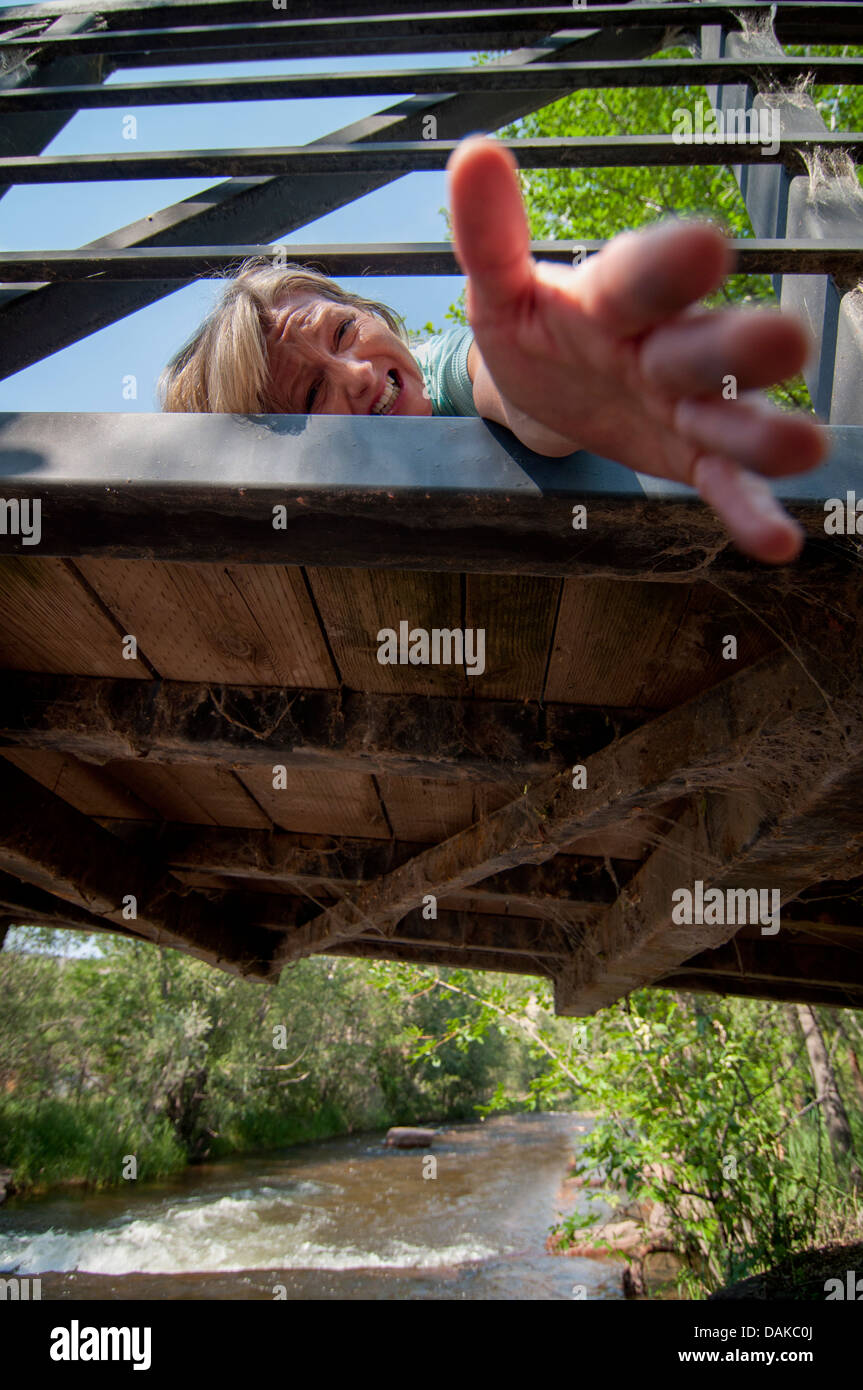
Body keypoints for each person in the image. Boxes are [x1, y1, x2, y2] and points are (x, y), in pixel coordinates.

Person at [161, 136, 827, 565]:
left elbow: (494, 380)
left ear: (369, 313)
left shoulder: (438, 366)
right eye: (310, 394)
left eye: (341, 331)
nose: (357, 374)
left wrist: (553, 384)